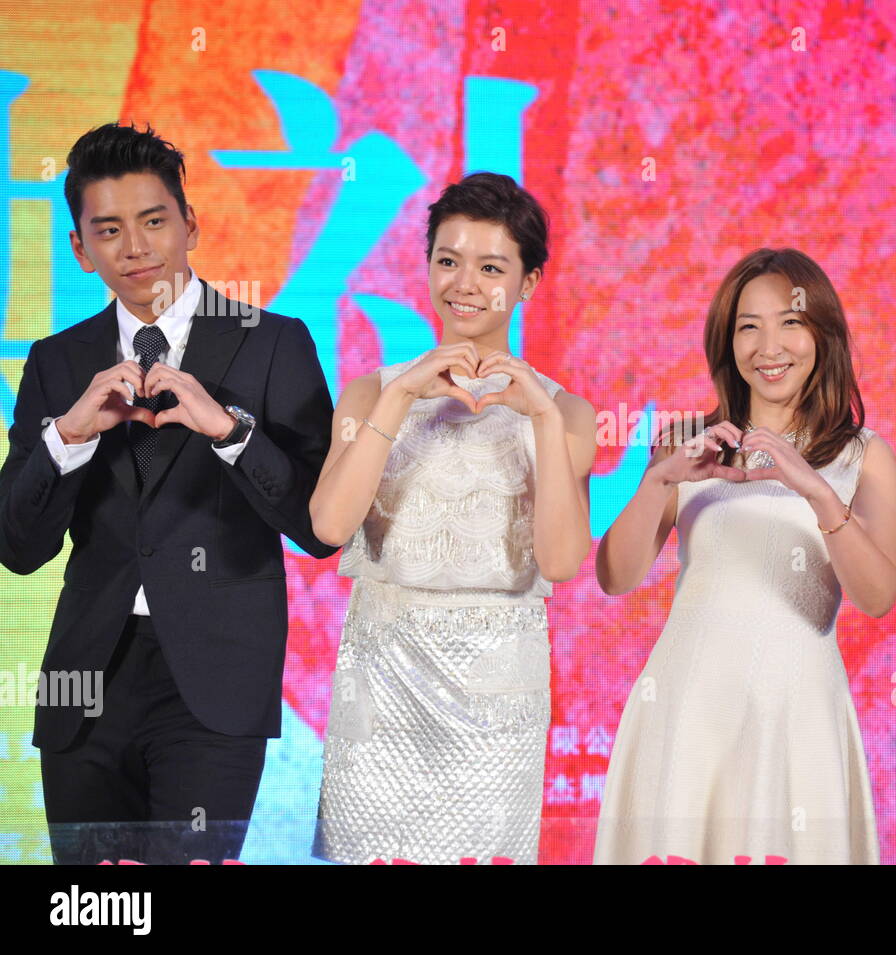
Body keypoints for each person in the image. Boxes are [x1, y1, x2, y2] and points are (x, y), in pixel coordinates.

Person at [0, 123, 338, 864]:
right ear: (80, 248)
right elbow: (18, 548)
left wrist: (231, 432)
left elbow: (321, 525)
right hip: (82, 683)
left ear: (191, 224)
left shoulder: (272, 341)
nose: (136, 247)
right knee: (95, 910)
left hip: (217, 681)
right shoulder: (58, 364)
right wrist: (69, 435)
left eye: (154, 221)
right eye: (109, 229)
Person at [309, 172, 595, 865]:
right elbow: (328, 524)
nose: (464, 283)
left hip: (497, 697)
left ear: (528, 283)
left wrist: (542, 418)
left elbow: (559, 561)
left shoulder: (565, 412)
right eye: (448, 260)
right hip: (380, 691)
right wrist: (400, 394)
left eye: (491, 267)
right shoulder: (374, 390)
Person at [593, 248, 896, 864]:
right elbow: (615, 577)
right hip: (689, 705)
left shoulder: (865, 456)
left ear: (822, 333)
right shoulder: (688, 444)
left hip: (797, 708)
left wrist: (812, 487)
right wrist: (659, 481)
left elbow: (878, 595)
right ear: (727, 341)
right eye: (748, 326)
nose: (770, 346)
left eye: (790, 321)